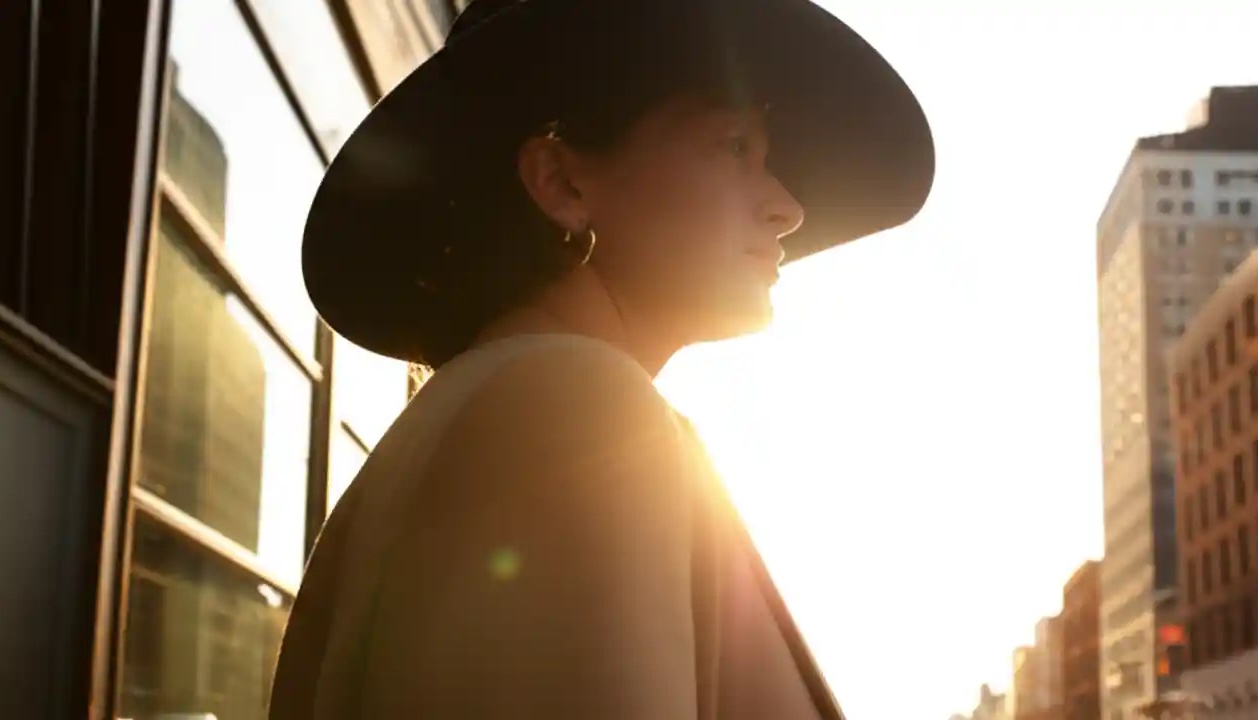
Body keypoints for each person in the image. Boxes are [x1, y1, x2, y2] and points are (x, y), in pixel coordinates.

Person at [269, 0, 933, 717]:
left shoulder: (502, 405)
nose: (788, 208)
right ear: (562, 182)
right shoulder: (576, 403)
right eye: (736, 145)